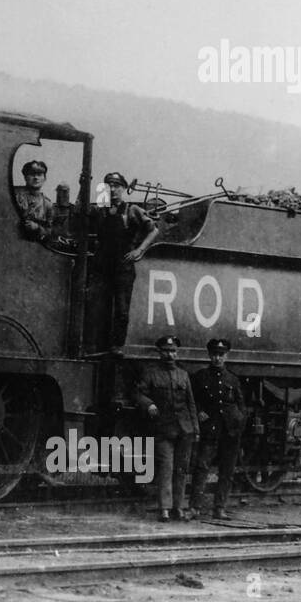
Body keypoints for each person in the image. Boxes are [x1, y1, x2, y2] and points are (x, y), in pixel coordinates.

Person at [132, 335, 199, 522]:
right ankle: (165, 509)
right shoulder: (151, 373)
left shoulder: (183, 375)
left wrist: (195, 428)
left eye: (173, 351)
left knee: (181, 470)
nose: (170, 355)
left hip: (184, 430)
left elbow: (191, 404)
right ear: (159, 353)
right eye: (166, 351)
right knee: (166, 469)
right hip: (163, 429)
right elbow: (138, 394)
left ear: (177, 353)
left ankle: (178, 508)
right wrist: (149, 404)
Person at [92, 172, 159, 355]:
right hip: (103, 264)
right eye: (109, 186)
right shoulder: (101, 209)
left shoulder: (132, 210)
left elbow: (153, 230)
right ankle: (100, 344)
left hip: (123, 265)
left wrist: (139, 250)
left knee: (121, 309)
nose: (112, 189)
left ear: (123, 188)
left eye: (117, 186)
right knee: (100, 306)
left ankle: (117, 345)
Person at [189, 338, 247, 519]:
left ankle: (219, 507)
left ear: (226, 356)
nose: (217, 358)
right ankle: (194, 507)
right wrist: (199, 412)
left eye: (221, 355)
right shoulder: (201, 377)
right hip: (210, 430)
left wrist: (239, 421)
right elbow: (192, 400)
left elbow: (241, 404)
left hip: (230, 432)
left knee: (227, 471)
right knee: (202, 468)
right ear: (209, 355)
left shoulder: (232, 379)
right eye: (214, 355)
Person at [14, 160, 55, 241]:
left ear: (44, 178)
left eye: (39, 174)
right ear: (25, 177)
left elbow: (50, 231)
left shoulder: (47, 204)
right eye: (32, 174)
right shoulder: (16, 197)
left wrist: (37, 228)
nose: (36, 177)